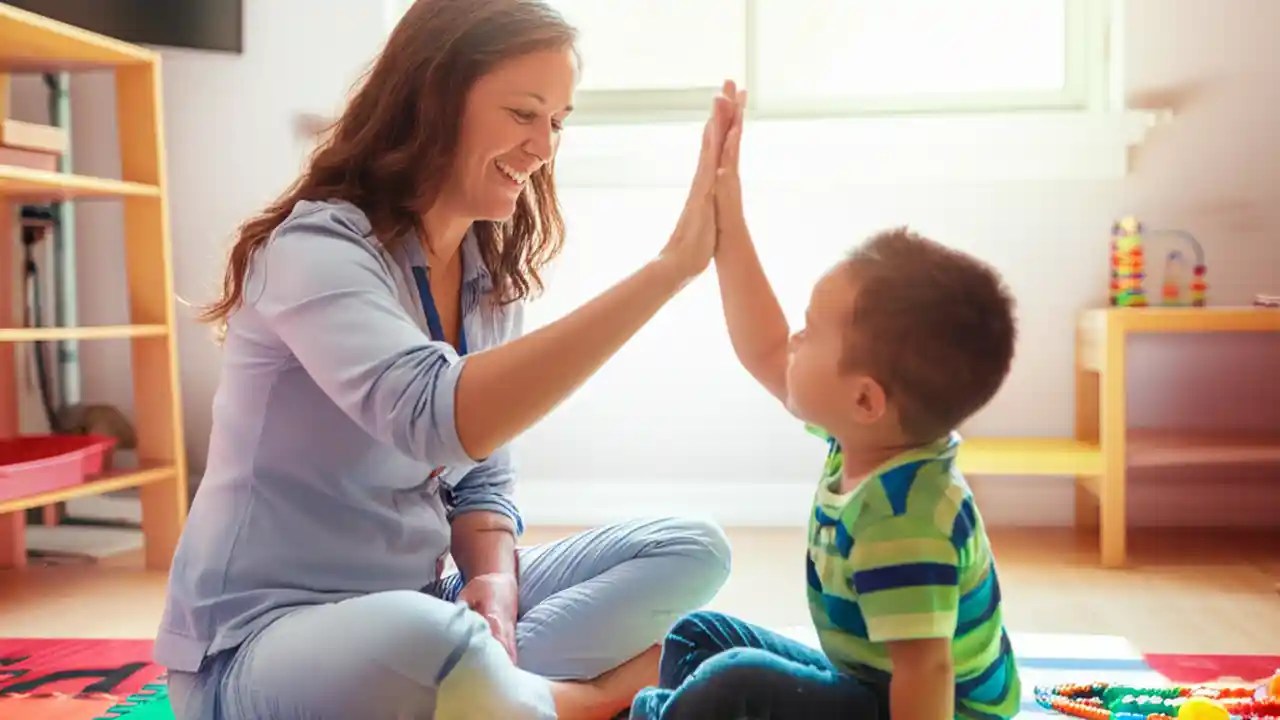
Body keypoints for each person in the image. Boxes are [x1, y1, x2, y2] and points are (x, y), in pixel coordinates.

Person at [155, 2, 739, 718]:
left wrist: (494, 581)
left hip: (418, 614)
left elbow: (484, 479)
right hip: (258, 646)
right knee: (433, 642)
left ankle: (488, 690)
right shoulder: (314, 252)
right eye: (524, 113)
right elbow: (434, 419)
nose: (544, 148)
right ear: (435, 98)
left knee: (694, 549)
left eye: (556, 122)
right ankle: (590, 699)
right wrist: (668, 271)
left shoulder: (485, 276)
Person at [629, 87, 1022, 719]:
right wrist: (726, 206)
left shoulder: (904, 518)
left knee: (735, 681)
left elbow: (927, 672)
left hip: (931, 709)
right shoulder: (873, 436)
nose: (794, 340)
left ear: (865, 398)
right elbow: (763, 347)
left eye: (809, 330)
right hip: (867, 680)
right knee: (698, 637)